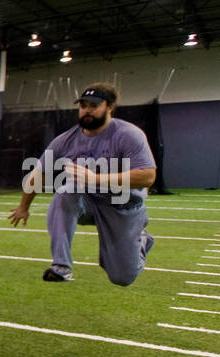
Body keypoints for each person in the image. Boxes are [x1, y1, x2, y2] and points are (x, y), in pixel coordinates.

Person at [8, 82, 158, 284]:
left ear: (110, 107)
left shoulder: (128, 134)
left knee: (122, 277)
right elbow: (39, 173)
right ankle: (61, 267)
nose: (87, 111)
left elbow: (148, 176)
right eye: (83, 105)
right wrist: (23, 206)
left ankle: (142, 241)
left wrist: (97, 179)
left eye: (94, 106)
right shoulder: (65, 140)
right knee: (65, 191)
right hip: (88, 203)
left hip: (123, 207)